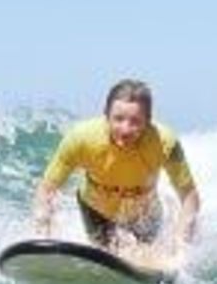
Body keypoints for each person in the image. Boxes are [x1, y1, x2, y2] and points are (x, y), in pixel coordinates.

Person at [29, 79, 201, 262]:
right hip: (96, 210)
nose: (125, 129)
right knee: (107, 256)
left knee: (144, 258)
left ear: (148, 121)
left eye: (135, 122)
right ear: (106, 115)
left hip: (145, 213)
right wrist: (43, 236)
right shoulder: (81, 138)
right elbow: (47, 188)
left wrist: (180, 252)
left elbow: (190, 197)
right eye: (118, 119)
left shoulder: (165, 143)